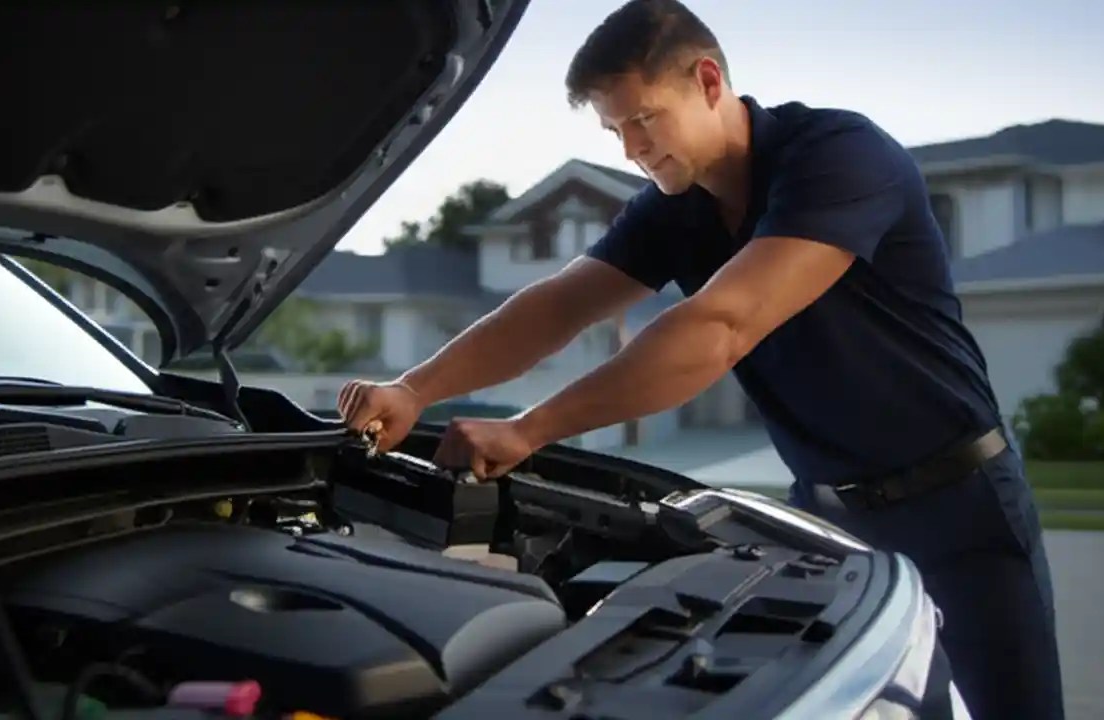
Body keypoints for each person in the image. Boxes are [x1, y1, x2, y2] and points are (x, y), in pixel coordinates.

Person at [338, 0, 1064, 716]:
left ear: (709, 82)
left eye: (644, 120)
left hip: (958, 504)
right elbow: (559, 306)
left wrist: (529, 430)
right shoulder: (673, 206)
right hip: (825, 516)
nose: (631, 149)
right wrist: (414, 388)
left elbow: (722, 326)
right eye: (615, 130)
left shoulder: (839, 156)